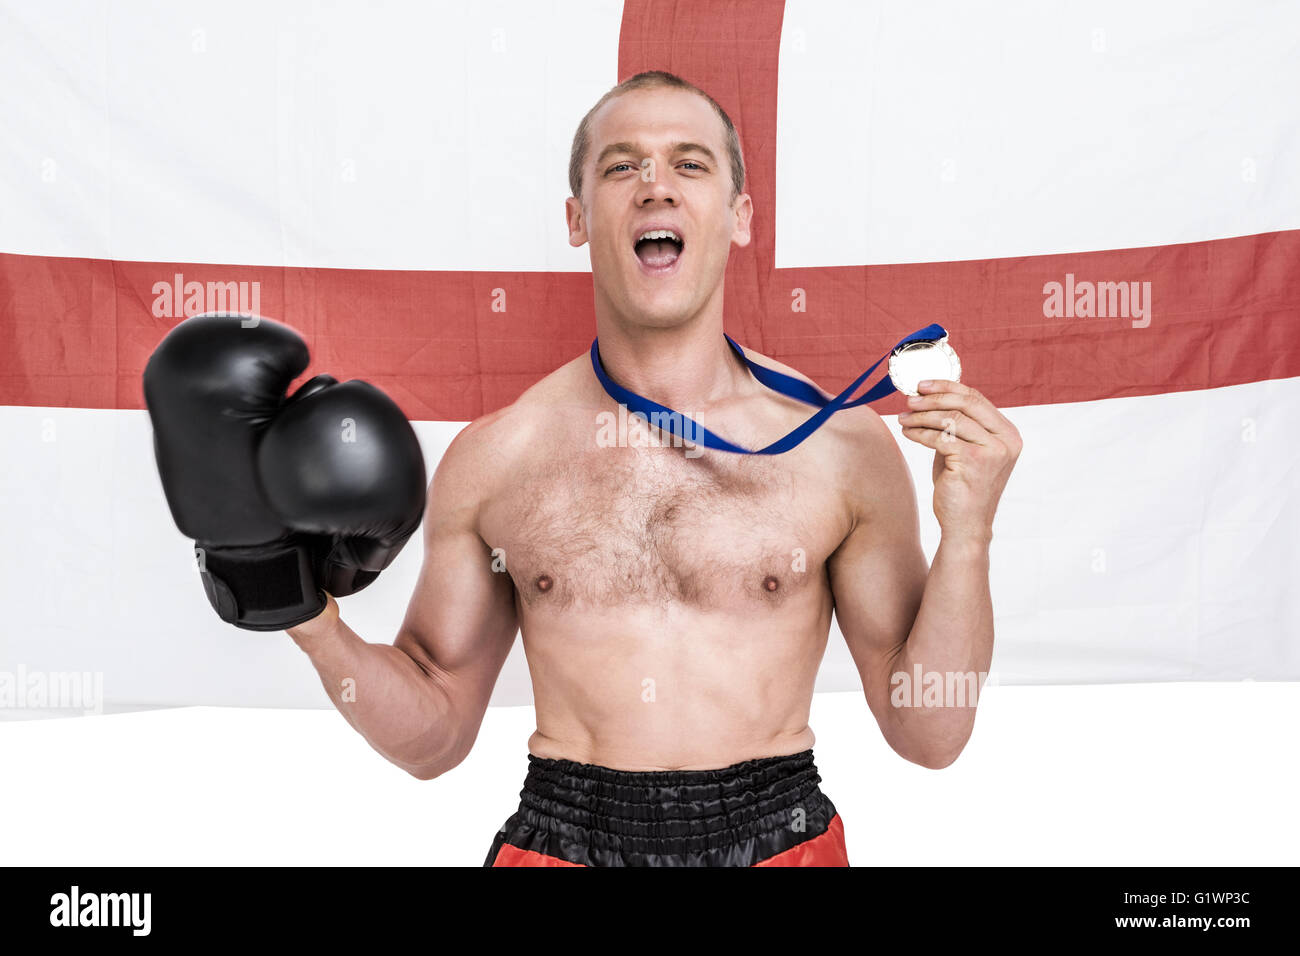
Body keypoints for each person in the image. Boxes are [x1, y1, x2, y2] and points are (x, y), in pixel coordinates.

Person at [149, 71, 1022, 866]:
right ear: (576, 217)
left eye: (690, 163)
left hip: (782, 836)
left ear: (741, 213)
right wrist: (304, 616)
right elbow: (433, 738)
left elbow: (930, 732)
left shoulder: (839, 449)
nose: (657, 184)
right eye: (621, 167)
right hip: (562, 836)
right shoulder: (499, 457)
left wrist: (970, 532)